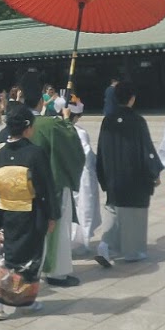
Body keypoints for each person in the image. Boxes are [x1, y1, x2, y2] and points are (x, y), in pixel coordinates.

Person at [0, 103, 59, 319]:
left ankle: (26, 300)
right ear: (27, 128)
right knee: (20, 260)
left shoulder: (1, 153)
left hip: (8, 214)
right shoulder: (35, 153)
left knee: (21, 258)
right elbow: (46, 186)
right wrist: (52, 215)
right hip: (31, 215)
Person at [94, 81, 163, 267]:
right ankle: (132, 252)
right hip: (134, 178)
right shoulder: (138, 121)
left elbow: (101, 150)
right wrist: (154, 171)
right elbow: (147, 150)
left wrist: (103, 173)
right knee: (133, 214)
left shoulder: (107, 121)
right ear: (132, 98)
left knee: (113, 209)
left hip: (113, 176)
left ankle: (105, 245)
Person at [29, 98, 84, 288]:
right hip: (52, 184)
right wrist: (67, 121)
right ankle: (56, 272)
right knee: (58, 229)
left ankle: (31, 269)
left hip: (22, 187)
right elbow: (71, 146)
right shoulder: (50, 124)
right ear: (40, 101)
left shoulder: (15, 123)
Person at [67, 97, 102, 256]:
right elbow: (87, 156)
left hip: (68, 175)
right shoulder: (80, 133)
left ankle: (73, 241)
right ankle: (80, 241)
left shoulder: (59, 130)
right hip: (81, 177)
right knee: (82, 208)